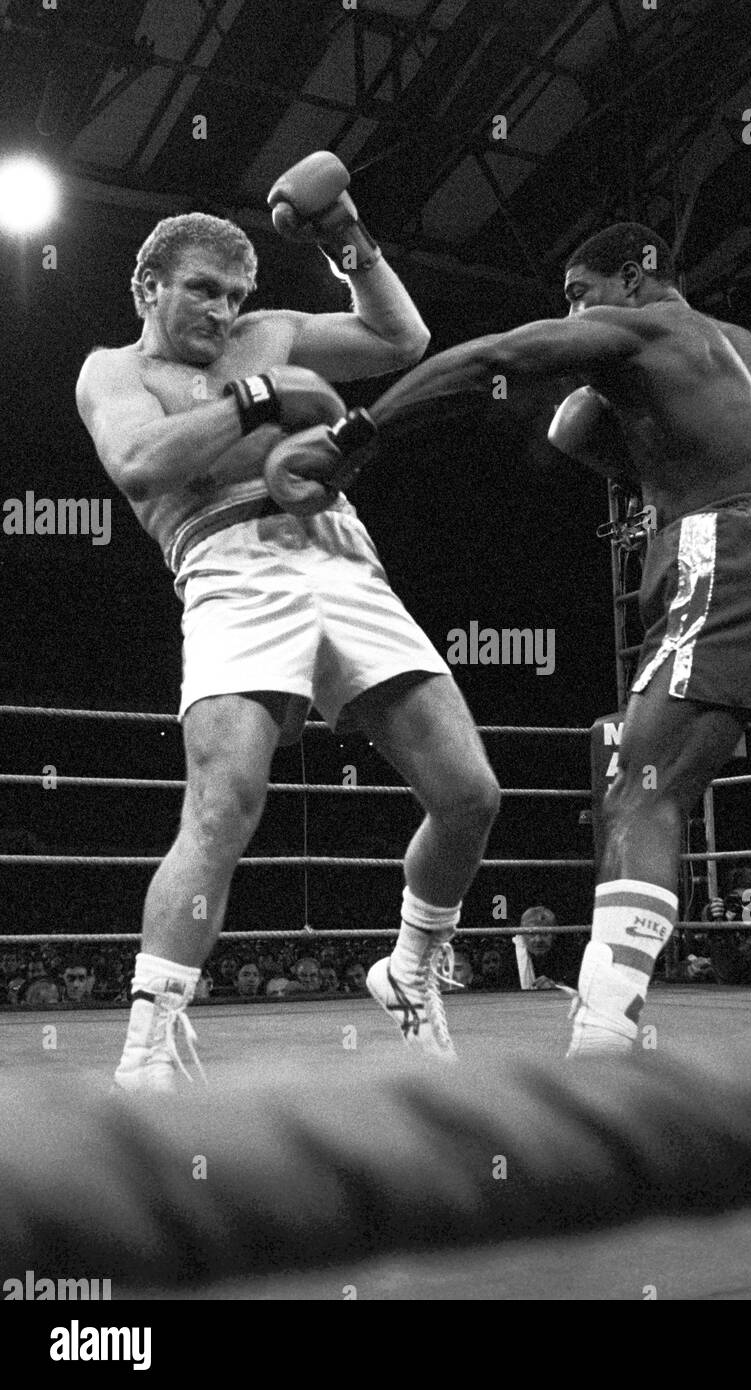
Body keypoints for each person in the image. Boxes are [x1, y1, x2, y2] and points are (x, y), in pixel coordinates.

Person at [273, 220, 751, 1052]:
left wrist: (355, 437)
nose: (574, 315)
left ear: (632, 277)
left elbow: (488, 361)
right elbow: (592, 434)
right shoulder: (747, 352)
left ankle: (605, 1032)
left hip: (734, 546)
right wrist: (612, 409)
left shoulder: (640, 326)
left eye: (580, 295)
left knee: (643, 789)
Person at [76, 151, 500, 1091]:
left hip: (341, 556)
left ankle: (411, 967)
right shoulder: (111, 371)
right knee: (225, 804)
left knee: (470, 794)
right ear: (148, 286)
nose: (222, 313)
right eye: (200, 291)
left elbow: (401, 341)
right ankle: (148, 1043)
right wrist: (264, 399)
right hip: (228, 571)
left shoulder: (272, 329)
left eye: (233, 294)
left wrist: (347, 236)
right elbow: (144, 465)